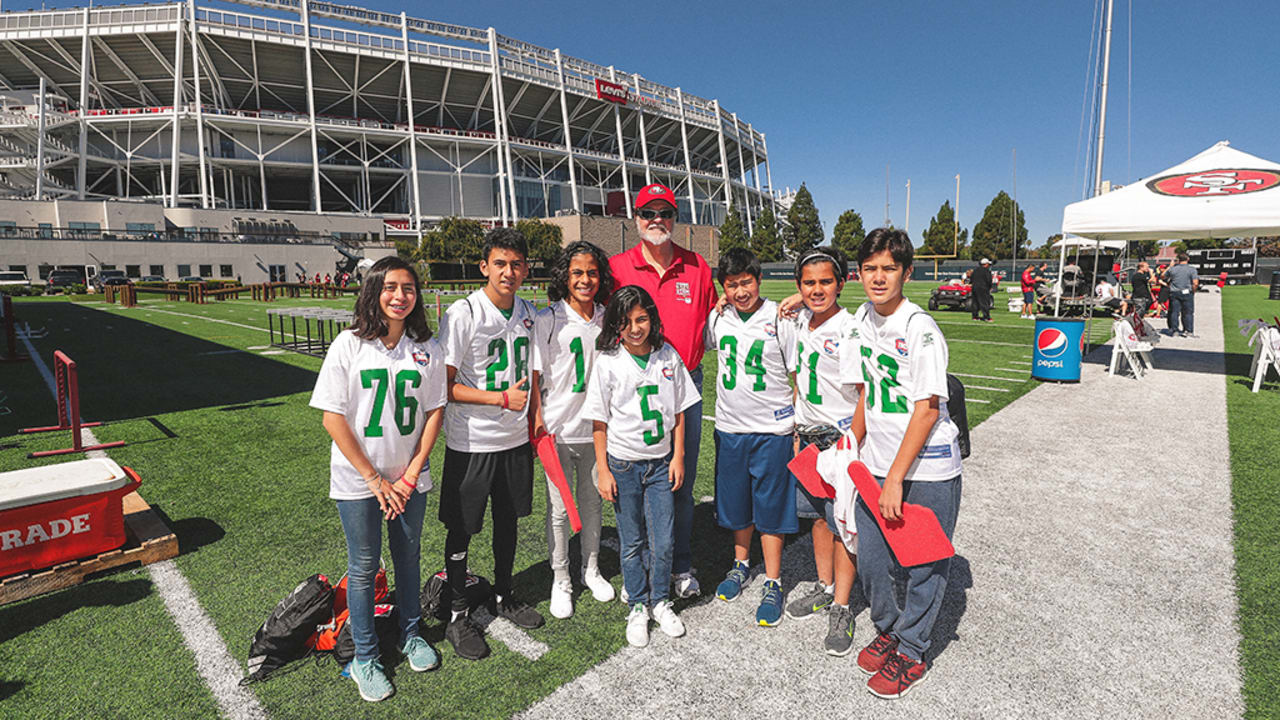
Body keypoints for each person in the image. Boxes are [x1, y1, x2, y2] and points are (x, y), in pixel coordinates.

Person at [309, 256, 446, 702]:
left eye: (408, 288)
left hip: (408, 479)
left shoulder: (427, 347)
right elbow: (332, 418)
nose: (400, 296)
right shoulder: (348, 344)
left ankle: (411, 634)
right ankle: (365, 656)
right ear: (373, 291)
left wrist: (410, 474)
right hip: (359, 481)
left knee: (408, 559)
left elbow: (434, 412)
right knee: (364, 566)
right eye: (390, 287)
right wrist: (374, 479)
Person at [841, 229, 963, 700]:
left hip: (926, 466)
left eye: (889, 268)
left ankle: (913, 650)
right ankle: (892, 629)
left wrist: (895, 477)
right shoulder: (861, 318)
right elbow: (867, 391)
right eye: (870, 268)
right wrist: (851, 443)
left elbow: (927, 409)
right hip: (877, 461)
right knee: (872, 557)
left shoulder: (919, 327)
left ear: (906, 273)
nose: (878, 277)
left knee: (924, 562)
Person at [438, 228, 543, 662]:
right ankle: (457, 614)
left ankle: (503, 594)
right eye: (500, 263)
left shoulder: (529, 312)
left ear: (526, 269)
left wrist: (533, 418)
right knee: (462, 527)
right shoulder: (464, 313)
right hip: (472, 441)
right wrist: (499, 398)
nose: (508, 272)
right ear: (484, 266)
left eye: (516, 264)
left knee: (508, 522)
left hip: (514, 439)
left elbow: (533, 373)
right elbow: (444, 386)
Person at [609, 183, 717, 599]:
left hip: (685, 383)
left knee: (679, 481)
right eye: (648, 213)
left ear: (675, 218)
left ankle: (680, 565)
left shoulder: (697, 266)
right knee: (633, 483)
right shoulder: (617, 267)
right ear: (636, 219)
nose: (657, 220)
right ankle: (639, 571)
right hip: (632, 384)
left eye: (665, 213)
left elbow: (720, 311)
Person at [584, 285, 698, 648]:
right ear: (615, 324)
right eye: (626, 321)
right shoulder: (608, 361)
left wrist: (678, 456)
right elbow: (599, 422)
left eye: (642, 319)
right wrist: (603, 469)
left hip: (661, 464)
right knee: (632, 541)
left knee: (663, 540)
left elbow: (679, 412)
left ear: (652, 319)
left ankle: (659, 600)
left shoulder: (667, 355)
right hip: (624, 464)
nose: (635, 328)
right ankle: (637, 603)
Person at [704, 248, 798, 627]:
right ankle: (740, 564)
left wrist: (795, 425)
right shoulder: (718, 317)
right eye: (732, 285)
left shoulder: (779, 317)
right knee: (737, 503)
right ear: (723, 288)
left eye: (746, 282)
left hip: (772, 429)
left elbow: (797, 373)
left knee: (771, 509)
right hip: (730, 426)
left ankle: (773, 581)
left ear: (759, 280)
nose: (740, 292)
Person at [781, 246, 862, 657]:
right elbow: (799, 378)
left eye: (826, 282)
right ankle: (825, 586)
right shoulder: (800, 322)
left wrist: (853, 441)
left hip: (841, 439)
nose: (817, 290)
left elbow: (864, 392)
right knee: (817, 518)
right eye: (808, 283)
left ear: (841, 284)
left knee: (844, 523)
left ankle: (843, 606)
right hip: (809, 436)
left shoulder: (851, 327)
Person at [530, 241, 617, 619]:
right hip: (559, 429)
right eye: (577, 272)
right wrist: (538, 423)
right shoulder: (548, 319)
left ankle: (590, 568)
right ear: (565, 276)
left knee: (594, 503)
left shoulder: (608, 317)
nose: (585, 280)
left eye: (592, 273)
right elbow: (535, 377)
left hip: (597, 430)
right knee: (559, 510)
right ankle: (561, 577)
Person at [1164, 253, 1199, 337]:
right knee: (1188, 312)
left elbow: (1163, 276)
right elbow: (1195, 283)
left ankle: (1174, 330)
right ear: (1188, 259)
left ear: (1178, 260)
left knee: (1174, 312)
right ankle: (1188, 330)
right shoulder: (1192, 269)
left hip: (1174, 292)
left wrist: (1170, 266)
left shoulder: (1173, 269)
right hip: (1187, 292)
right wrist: (1193, 291)